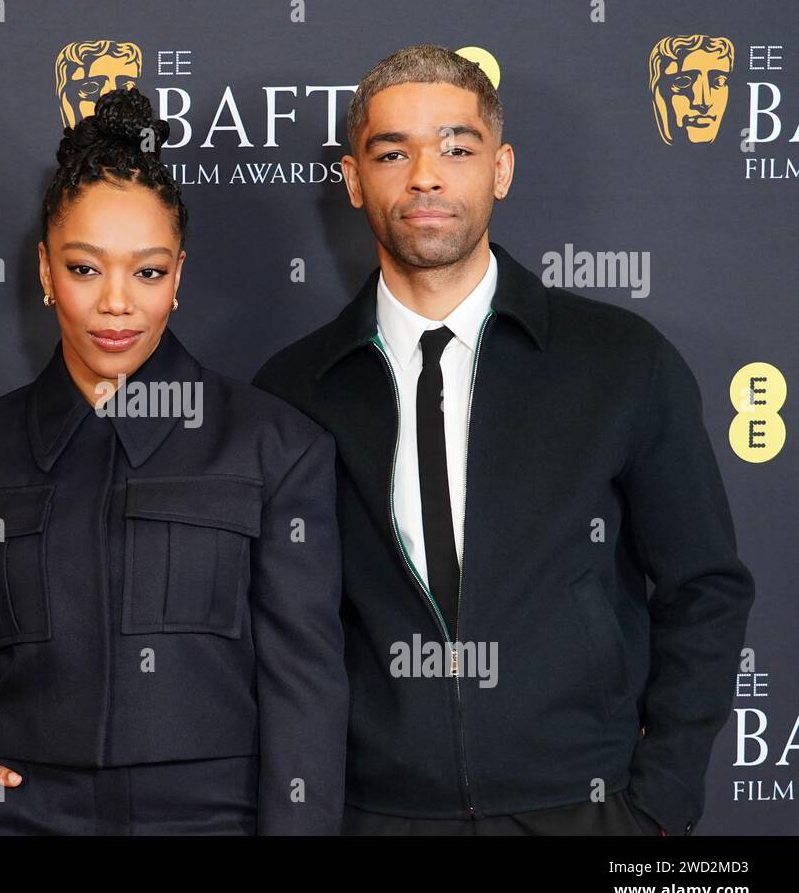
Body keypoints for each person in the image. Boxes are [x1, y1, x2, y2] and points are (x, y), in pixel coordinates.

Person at [253, 44, 754, 836]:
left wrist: (660, 803)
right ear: (353, 179)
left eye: (457, 147)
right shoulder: (292, 389)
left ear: (502, 169)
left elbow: (706, 587)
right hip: (378, 814)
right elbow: (277, 631)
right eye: (393, 152)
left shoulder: (619, 360)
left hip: (590, 809)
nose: (426, 175)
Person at [0, 86, 348, 835]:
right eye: (83, 269)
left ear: (179, 277)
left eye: (147, 271)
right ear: (44, 272)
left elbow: (306, 691)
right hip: (21, 816)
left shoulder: (276, 449)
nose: (116, 305)